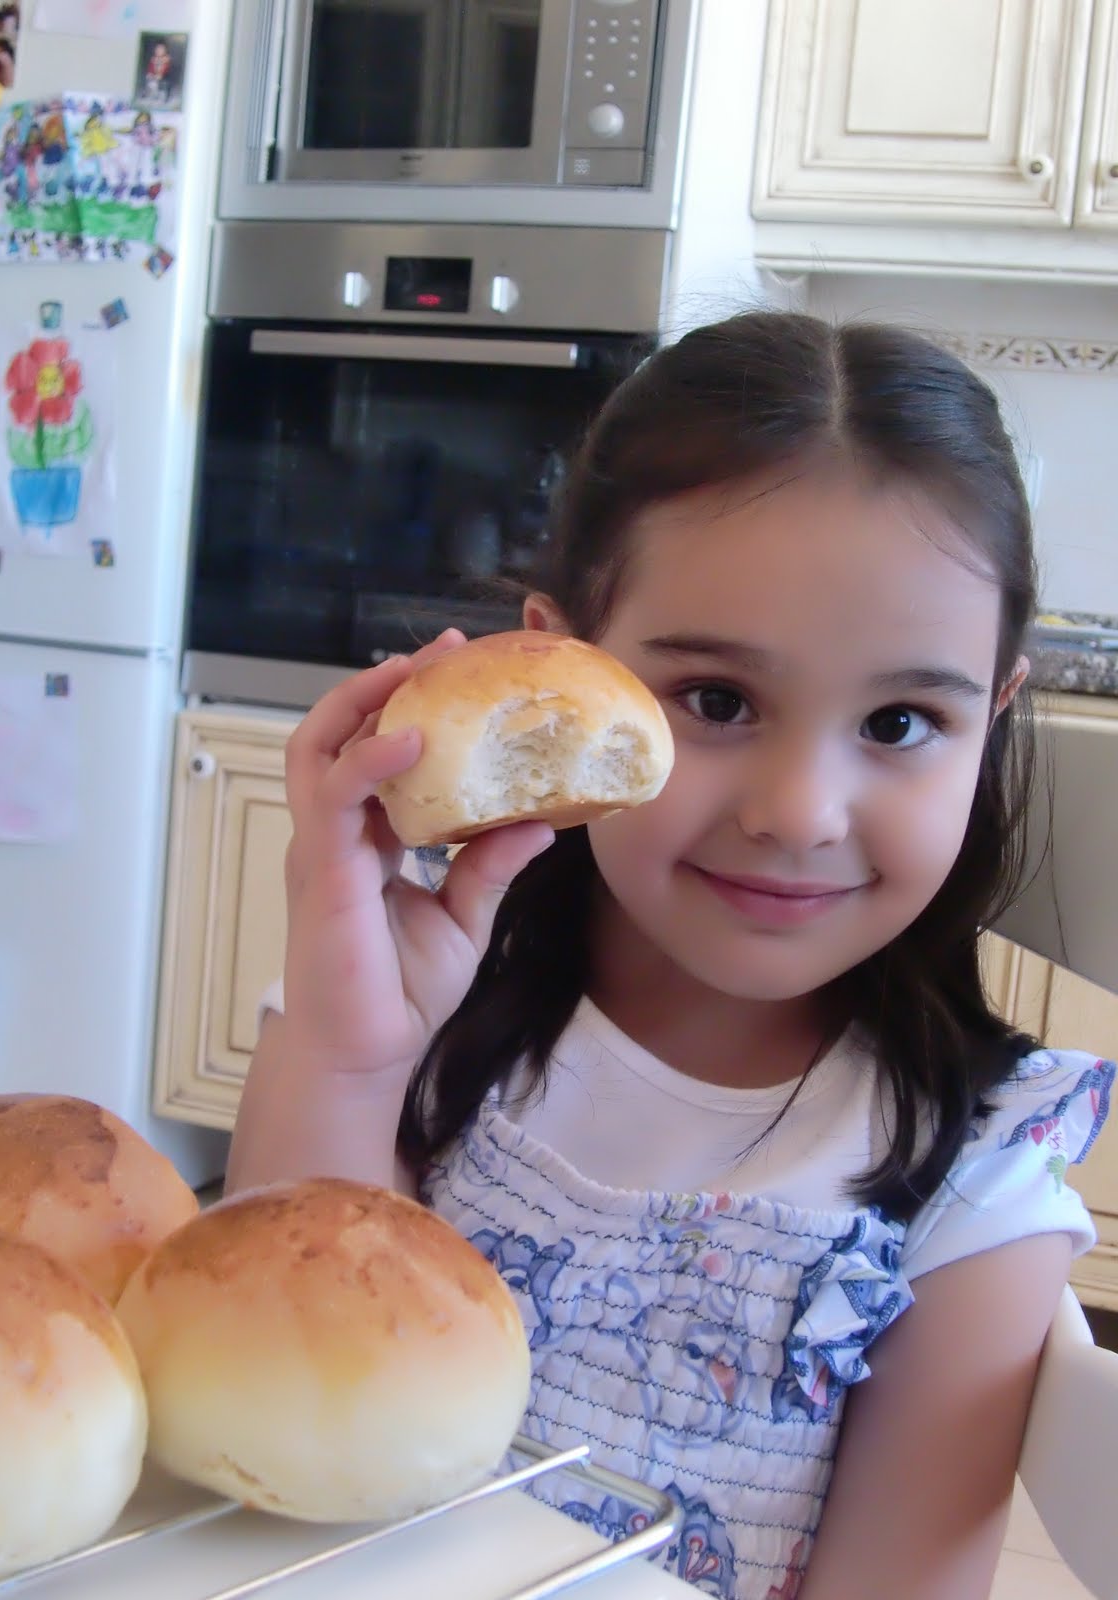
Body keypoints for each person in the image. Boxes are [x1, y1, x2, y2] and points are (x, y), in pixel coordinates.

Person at [227, 312, 1114, 1600]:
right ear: (559, 667)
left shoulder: (973, 1195)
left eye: (903, 720)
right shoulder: (405, 1020)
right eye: (715, 701)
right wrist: (348, 1057)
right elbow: (265, 1408)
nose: (799, 810)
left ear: (997, 717)